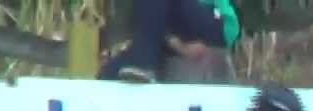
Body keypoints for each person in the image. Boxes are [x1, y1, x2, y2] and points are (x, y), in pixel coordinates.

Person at [99, 0, 241, 83]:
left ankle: (144, 62)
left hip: (215, 19)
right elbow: (154, 24)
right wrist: (179, 46)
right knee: (109, 72)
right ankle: (142, 61)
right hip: (174, 25)